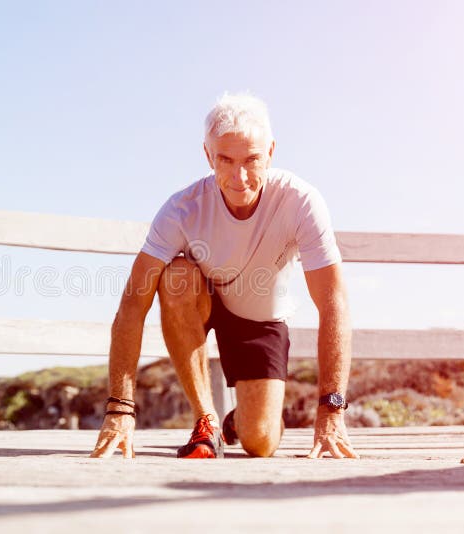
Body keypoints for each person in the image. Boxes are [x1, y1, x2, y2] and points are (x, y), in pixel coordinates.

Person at [90, 92, 359, 460]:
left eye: (251, 160)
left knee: (260, 442)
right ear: (208, 155)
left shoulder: (301, 202)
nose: (239, 177)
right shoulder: (181, 210)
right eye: (226, 160)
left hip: (259, 317)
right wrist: (120, 410)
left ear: (270, 152)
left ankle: (240, 420)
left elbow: (333, 303)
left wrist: (331, 410)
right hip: (199, 299)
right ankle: (207, 420)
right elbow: (132, 305)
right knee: (176, 275)